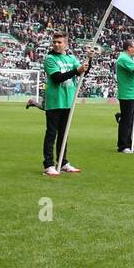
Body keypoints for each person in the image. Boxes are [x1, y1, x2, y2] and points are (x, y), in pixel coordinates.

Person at [42, 32, 88, 176]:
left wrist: (89, 61)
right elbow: (57, 78)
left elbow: (83, 72)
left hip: (69, 102)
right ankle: (48, 164)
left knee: (64, 134)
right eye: (55, 42)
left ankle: (62, 162)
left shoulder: (71, 57)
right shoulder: (50, 59)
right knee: (51, 133)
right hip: (55, 101)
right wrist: (76, 70)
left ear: (66, 44)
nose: (56, 44)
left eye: (59, 42)